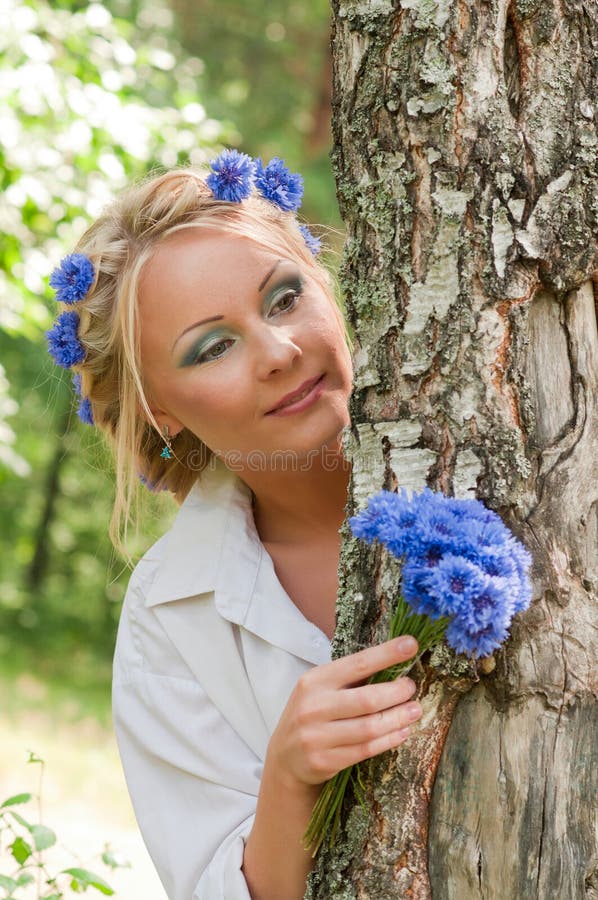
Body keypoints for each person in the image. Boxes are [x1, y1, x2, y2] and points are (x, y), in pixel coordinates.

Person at [46, 151, 423, 900]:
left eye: (284, 299)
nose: (280, 353)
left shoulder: (515, 446)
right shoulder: (169, 620)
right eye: (212, 347)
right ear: (163, 414)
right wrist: (288, 775)